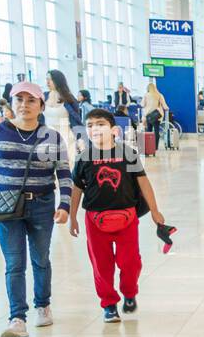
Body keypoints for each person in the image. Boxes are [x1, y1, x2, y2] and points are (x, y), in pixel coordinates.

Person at [0, 81, 71, 337]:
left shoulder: (52, 137)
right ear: (11, 104)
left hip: (42, 204)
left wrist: (65, 204)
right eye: (19, 100)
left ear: (41, 106)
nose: (24, 105)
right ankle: (17, 318)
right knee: (14, 263)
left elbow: (64, 173)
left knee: (41, 258)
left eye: (31, 100)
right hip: (6, 206)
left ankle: (43, 305)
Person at [69, 108, 165, 322]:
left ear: (114, 130)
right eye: (90, 125)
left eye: (100, 124)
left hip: (127, 217)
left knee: (130, 262)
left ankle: (129, 292)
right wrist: (73, 216)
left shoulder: (128, 154)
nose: (95, 129)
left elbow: (143, 182)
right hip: (95, 219)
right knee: (101, 265)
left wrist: (155, 210)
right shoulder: (84, 158)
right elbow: (77, 188)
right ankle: (109, 304)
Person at [45, 69, 81, 163]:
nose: (47, 82)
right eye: (46, 79)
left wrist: (80, 140)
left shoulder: (68, 98)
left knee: (68, 166)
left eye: (50, 79)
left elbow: (76, 121)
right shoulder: (44, 96)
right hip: (47, 137)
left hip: (66, 137)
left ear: (58, 81)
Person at [142, 81, 170, 147]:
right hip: (156, 115)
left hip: (149, 116)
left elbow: (142, 104)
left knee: (149, 131)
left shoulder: (146, 95)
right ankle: (156, 146)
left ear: (148, 88)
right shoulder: (159, 95)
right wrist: (167, 108)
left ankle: (149, 146)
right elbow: (164, 106)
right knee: (156, 131)